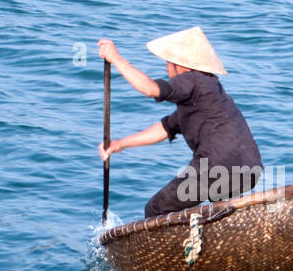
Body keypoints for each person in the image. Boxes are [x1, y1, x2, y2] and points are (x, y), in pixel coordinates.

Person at [96, 27, 263, 218]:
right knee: (220, 211)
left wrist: (116, 59)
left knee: (156, 209)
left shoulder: (190, 79)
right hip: (248, 169)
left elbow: (151, 89)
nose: (166, 68)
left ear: (180, 65)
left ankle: (173, 247)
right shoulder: (208, 93)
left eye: (168, 63)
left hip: (217, 166)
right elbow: (165, 128)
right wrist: (120, 144)